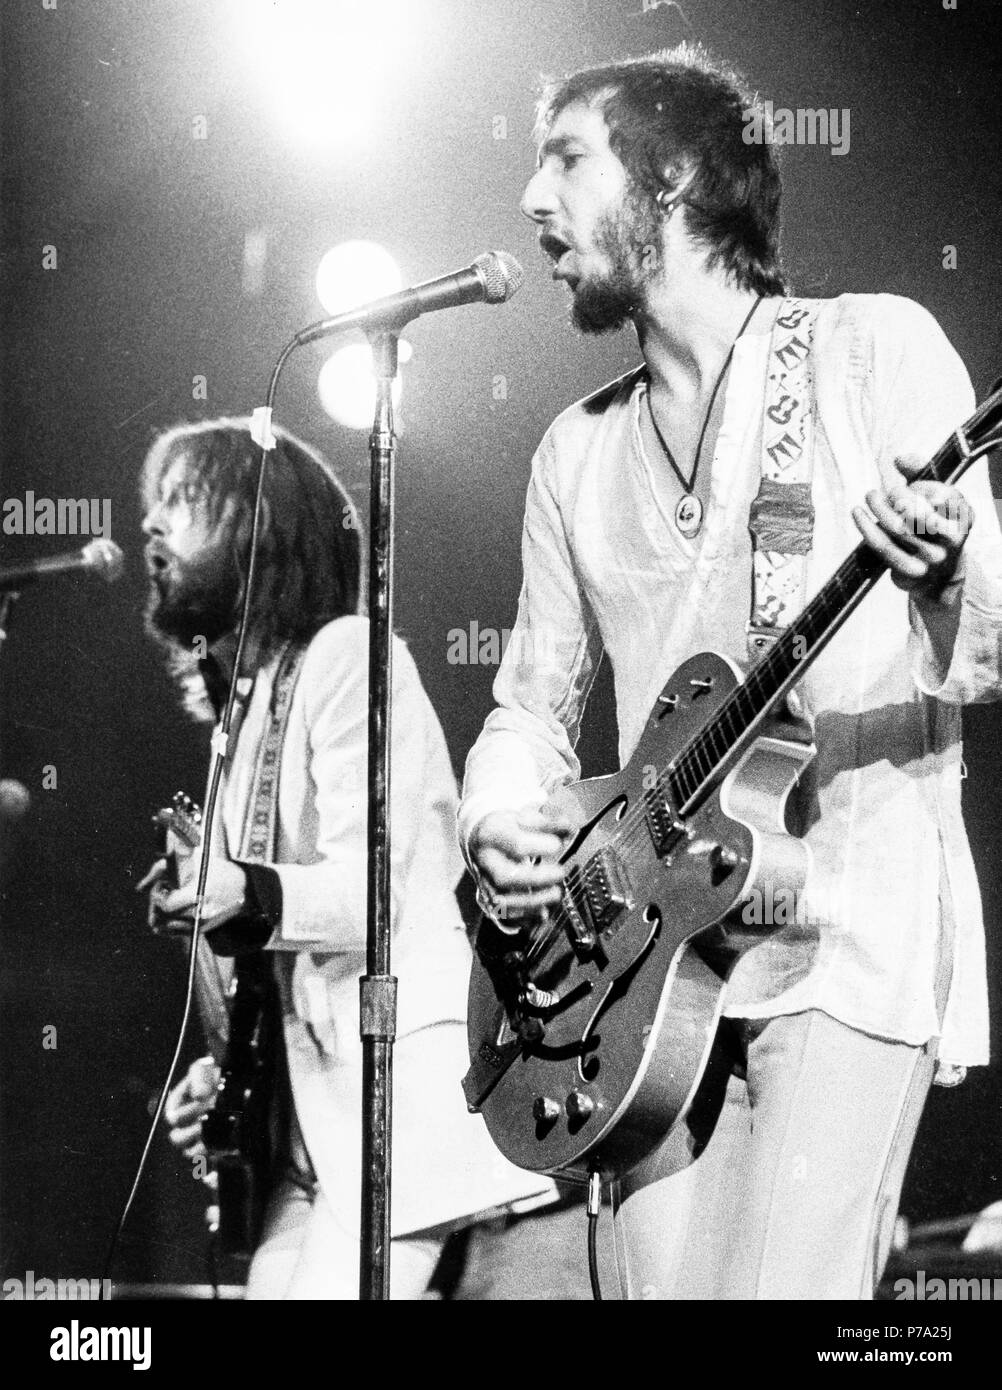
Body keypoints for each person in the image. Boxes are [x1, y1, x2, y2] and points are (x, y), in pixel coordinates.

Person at [459, 44, 1002, 1299]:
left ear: (681, 174)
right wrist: (496, 815)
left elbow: (990, 634)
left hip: (845, 931)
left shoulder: (872, 352)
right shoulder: (571, 453)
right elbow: (531, 707)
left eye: (568, 158)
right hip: (643, 982)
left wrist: (940, 569)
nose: (535, 202)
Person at [139, 418, 553, 1299]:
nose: (150, 528)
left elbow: (378, 891)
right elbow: (277, 959)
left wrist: (236, 890)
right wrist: (224, 1069)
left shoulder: (346, 655)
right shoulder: (242, 714)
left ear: (259, 530)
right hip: (311, 1122)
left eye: (180, 504)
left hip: (395, 1098)